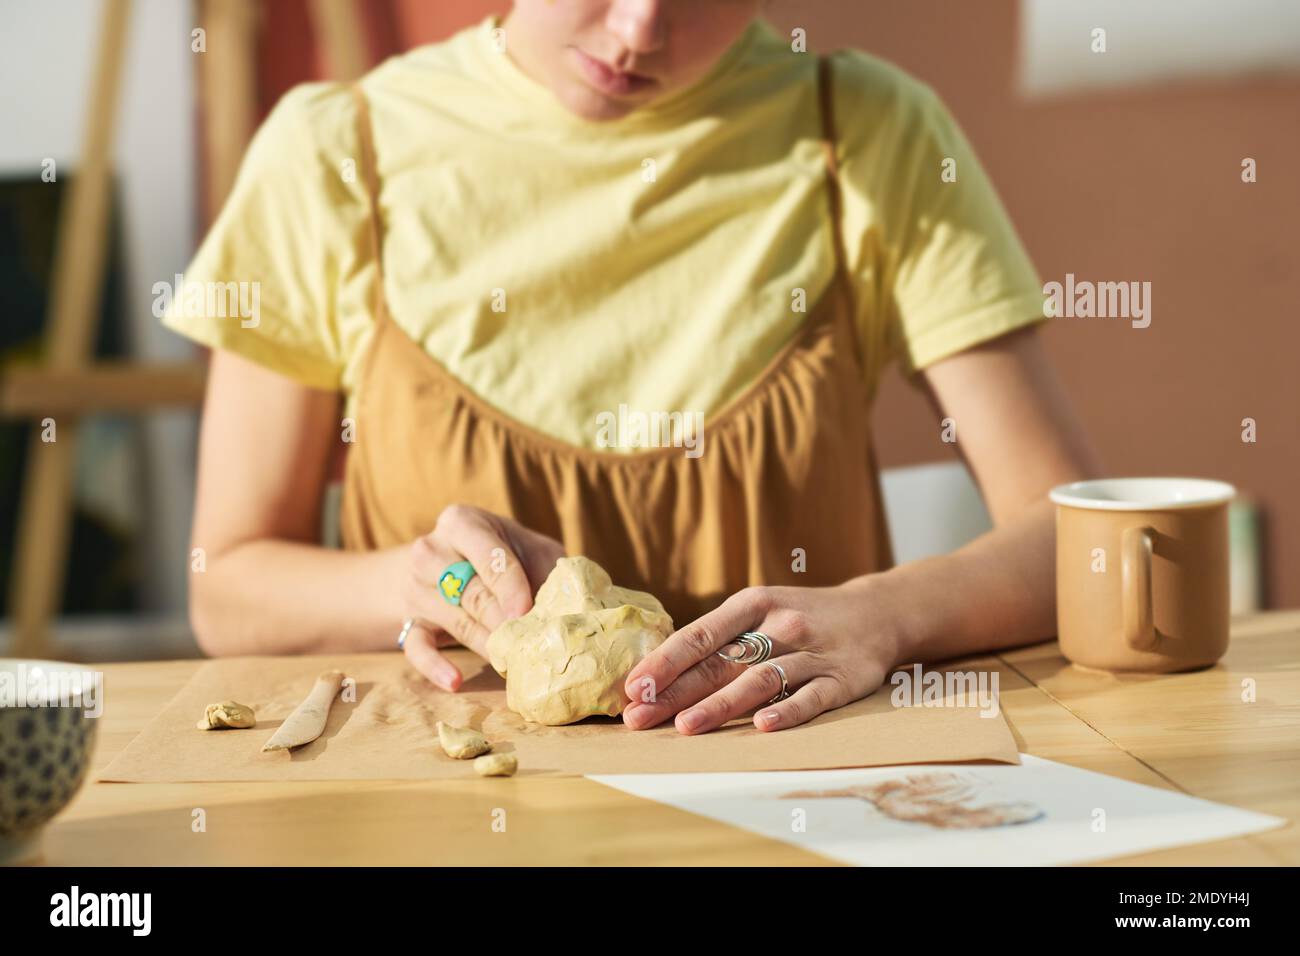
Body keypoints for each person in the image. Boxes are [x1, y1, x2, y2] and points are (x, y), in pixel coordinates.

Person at [166, 1, 1100, 736]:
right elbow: (225, 585)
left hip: (797, 804)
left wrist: (886, 616)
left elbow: (1082, 540)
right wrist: (410, 586)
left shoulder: (866, 133)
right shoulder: (335, 152)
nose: (640, 25)